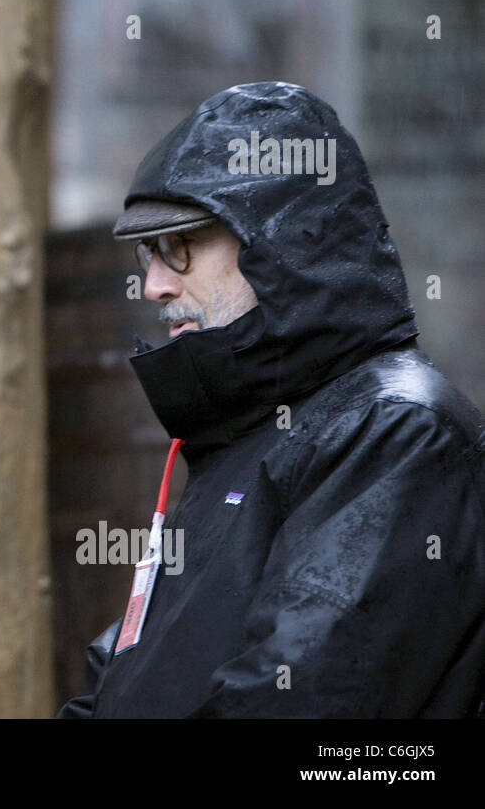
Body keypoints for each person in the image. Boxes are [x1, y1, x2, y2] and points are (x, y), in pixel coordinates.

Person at [60, 81, 485, 718]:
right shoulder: (246, 429)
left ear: (285, 246)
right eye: (149, 252)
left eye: (180, 247)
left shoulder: (395, 432)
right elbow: (127, 682)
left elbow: (292, 702)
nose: (153, 285)